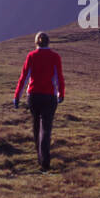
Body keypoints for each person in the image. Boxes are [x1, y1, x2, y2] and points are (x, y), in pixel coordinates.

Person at [13, 32, 65, 171]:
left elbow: (24, 77)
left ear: (36, 42)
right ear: (48, 42)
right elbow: (59, 77)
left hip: (34, 96)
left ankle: (39, 157)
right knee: (46, 128)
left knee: (36, 126)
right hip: (49, 96)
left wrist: (17, 96)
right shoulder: (55, 57)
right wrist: (61, 93)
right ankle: (45, 162)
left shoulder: (31, 56)